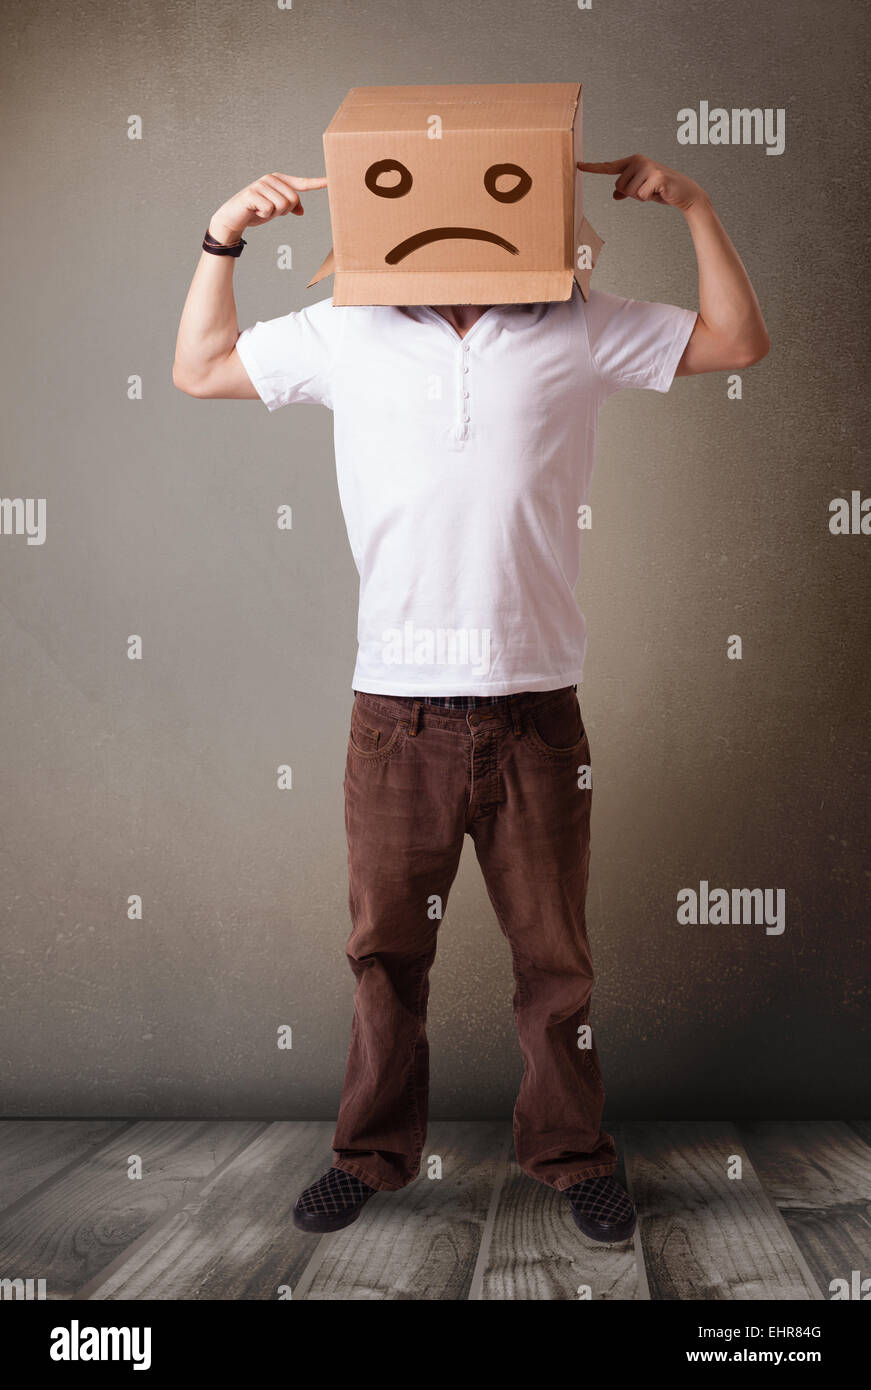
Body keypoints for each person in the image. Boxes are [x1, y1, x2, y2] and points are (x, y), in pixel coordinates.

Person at [173, 152, 769, 1244]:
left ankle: (573, 1154)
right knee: (385, 955)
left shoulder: (575, 320)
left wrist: (693, 204)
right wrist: (225, 238)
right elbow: (200, 368)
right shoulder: (346, 330)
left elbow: (737, 342)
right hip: (394, 713)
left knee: (556, 961)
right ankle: (369, 1154)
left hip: (537, 710)